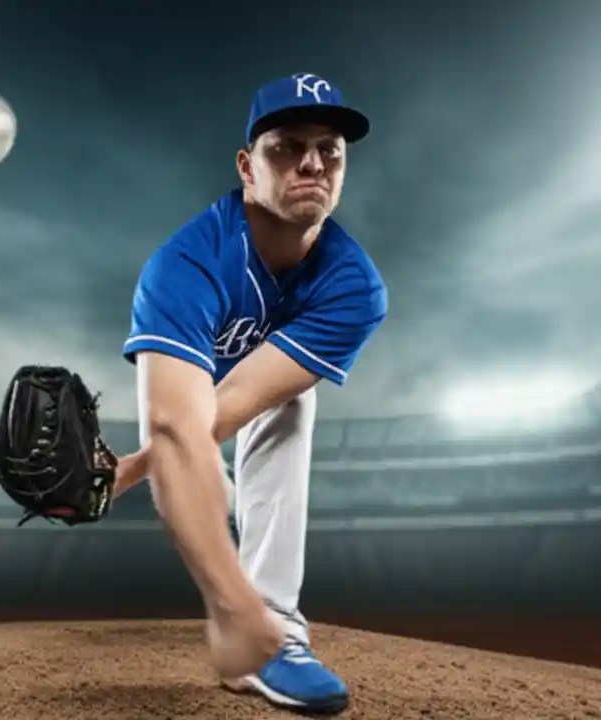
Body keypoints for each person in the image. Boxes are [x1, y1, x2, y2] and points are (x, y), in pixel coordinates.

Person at [111, 72, 388, 714]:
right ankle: (254, 630)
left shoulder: (354, 286)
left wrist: (124, 473)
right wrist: (230, 611)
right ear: (247, 166)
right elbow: (180, 424)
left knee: (292, 401)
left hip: (239, 395)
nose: (313, 161)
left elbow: (238, 402)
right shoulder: (188, 263)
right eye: (287, 146)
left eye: (330, 149)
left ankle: (278, 630)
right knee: (191, 447)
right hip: (181, 384)